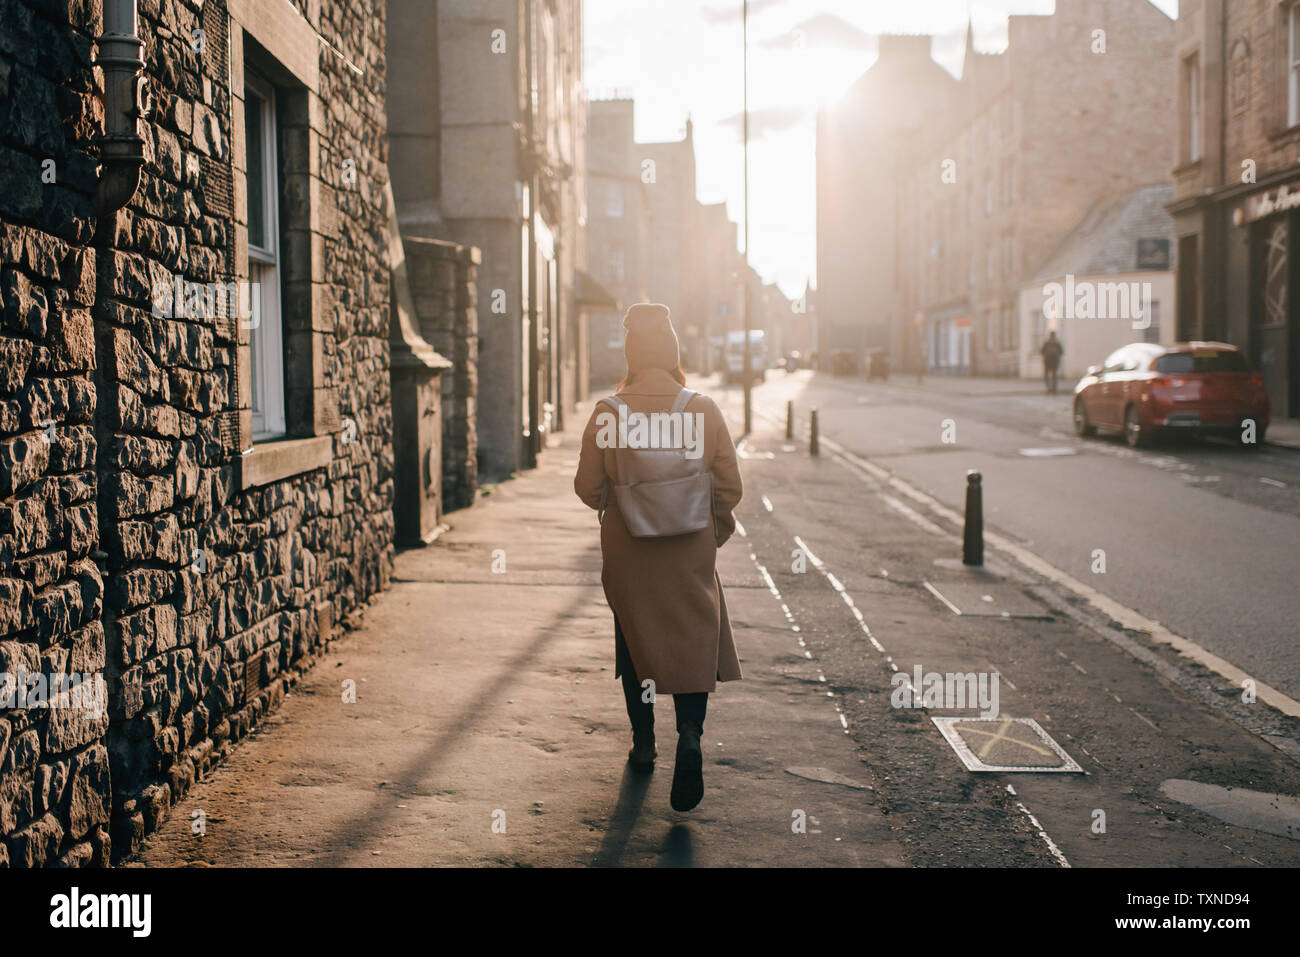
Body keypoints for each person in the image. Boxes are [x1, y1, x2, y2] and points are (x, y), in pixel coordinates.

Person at [574, 303, 744, 813]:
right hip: (689, 546)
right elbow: (730, 488)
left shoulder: (609, 412)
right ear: (672, 352)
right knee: (694, 637)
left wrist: (624, 497)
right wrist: (705, 517)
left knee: (637, 641)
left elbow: (586, 487)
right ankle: (690, 735)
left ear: (630, 352)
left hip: (630, 549)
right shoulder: (702, 409)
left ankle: (644, 744)